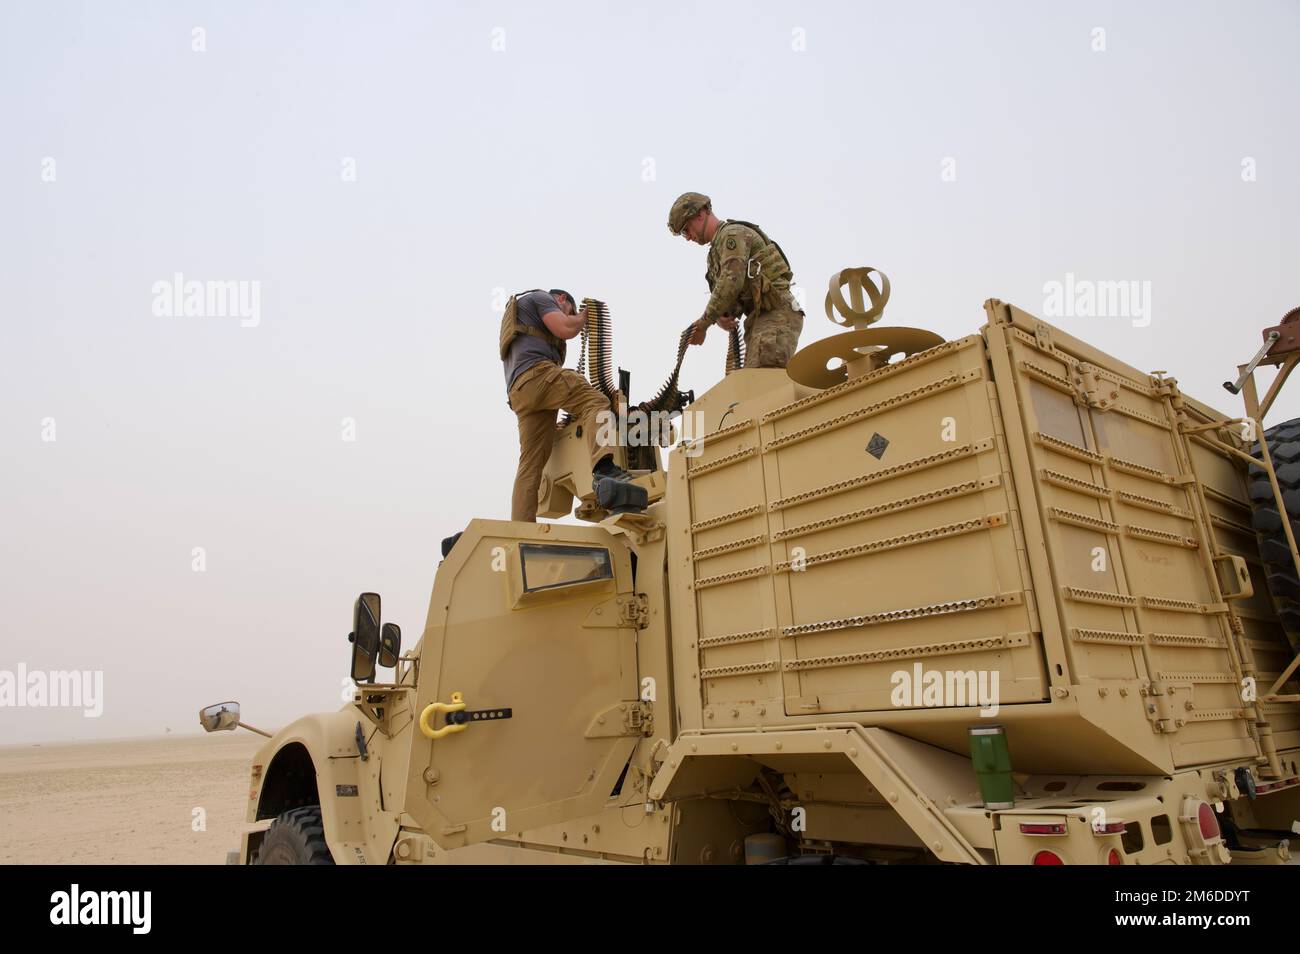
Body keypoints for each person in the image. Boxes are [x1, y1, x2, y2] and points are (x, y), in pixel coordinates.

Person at [501, 288, 631, 522]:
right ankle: (604, 468)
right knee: (596, 402)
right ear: (561, 299)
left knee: (531, 464)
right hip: (537, 375)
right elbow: (565, 328)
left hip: (520, 393)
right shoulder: (541, 298)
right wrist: (584, 316)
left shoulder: (525, 317)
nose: (570, 315)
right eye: (569, 310)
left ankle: (521, 530)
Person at [667, 192, 804, 368]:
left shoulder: (732, 235)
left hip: (776, 313)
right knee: (750, 380)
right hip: (759, 318)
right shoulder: (715, 253)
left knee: (762, 378)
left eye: (686, 229)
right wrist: (721, 317)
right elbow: (731, 293)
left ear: (699, 214)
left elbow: (731, 282)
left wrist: (704, 324)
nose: (687, 237)